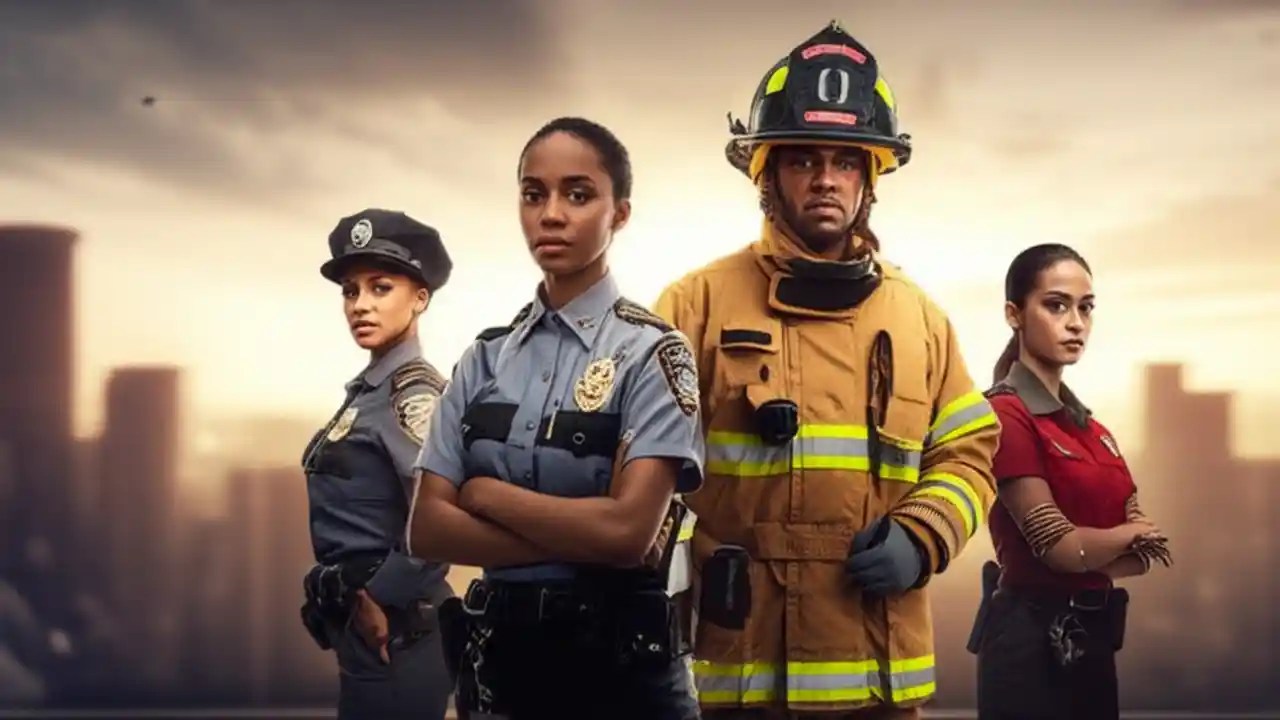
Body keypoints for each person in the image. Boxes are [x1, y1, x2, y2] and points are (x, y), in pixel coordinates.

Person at [653, 19, 1001, 720]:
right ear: (766, 173)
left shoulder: (920, 319)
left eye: (847, 161)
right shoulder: (694, 305)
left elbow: (971, 455)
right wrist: (695, 557)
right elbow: (640, 475)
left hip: (878, 680)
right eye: (804, 159)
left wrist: (922, 534)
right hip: (740, 674)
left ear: (871, 178)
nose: (826, 180)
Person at [409, 116, 705, 720]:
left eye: (578, 194)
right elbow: (426, 531)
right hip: (504, 675)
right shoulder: (485, 358)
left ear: (619, 213)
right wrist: (579, 532)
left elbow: (628, 537)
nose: (551, 214)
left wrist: (486, 493)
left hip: (622, 680)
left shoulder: (653, 353)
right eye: (532, 194)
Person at [972, 243, 1171, 720]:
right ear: (1014, 314)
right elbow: (1059, 548)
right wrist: (1126, 535)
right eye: (1056, 304)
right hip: (1027, 643)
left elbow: (1139, 562)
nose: (1076, 322)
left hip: (1091, 638)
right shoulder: (1005, 413)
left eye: (1086, 307)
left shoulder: (1095, 432)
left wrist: (1102, 545)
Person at [299, 208, 456, 720]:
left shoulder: (411, 394)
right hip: (367, 628)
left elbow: (439, 517)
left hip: (397, 627)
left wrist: (376, 600)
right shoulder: (370, 392)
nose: (360, 305)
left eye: (380, 287)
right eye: (350, 290)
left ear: (420, 297)